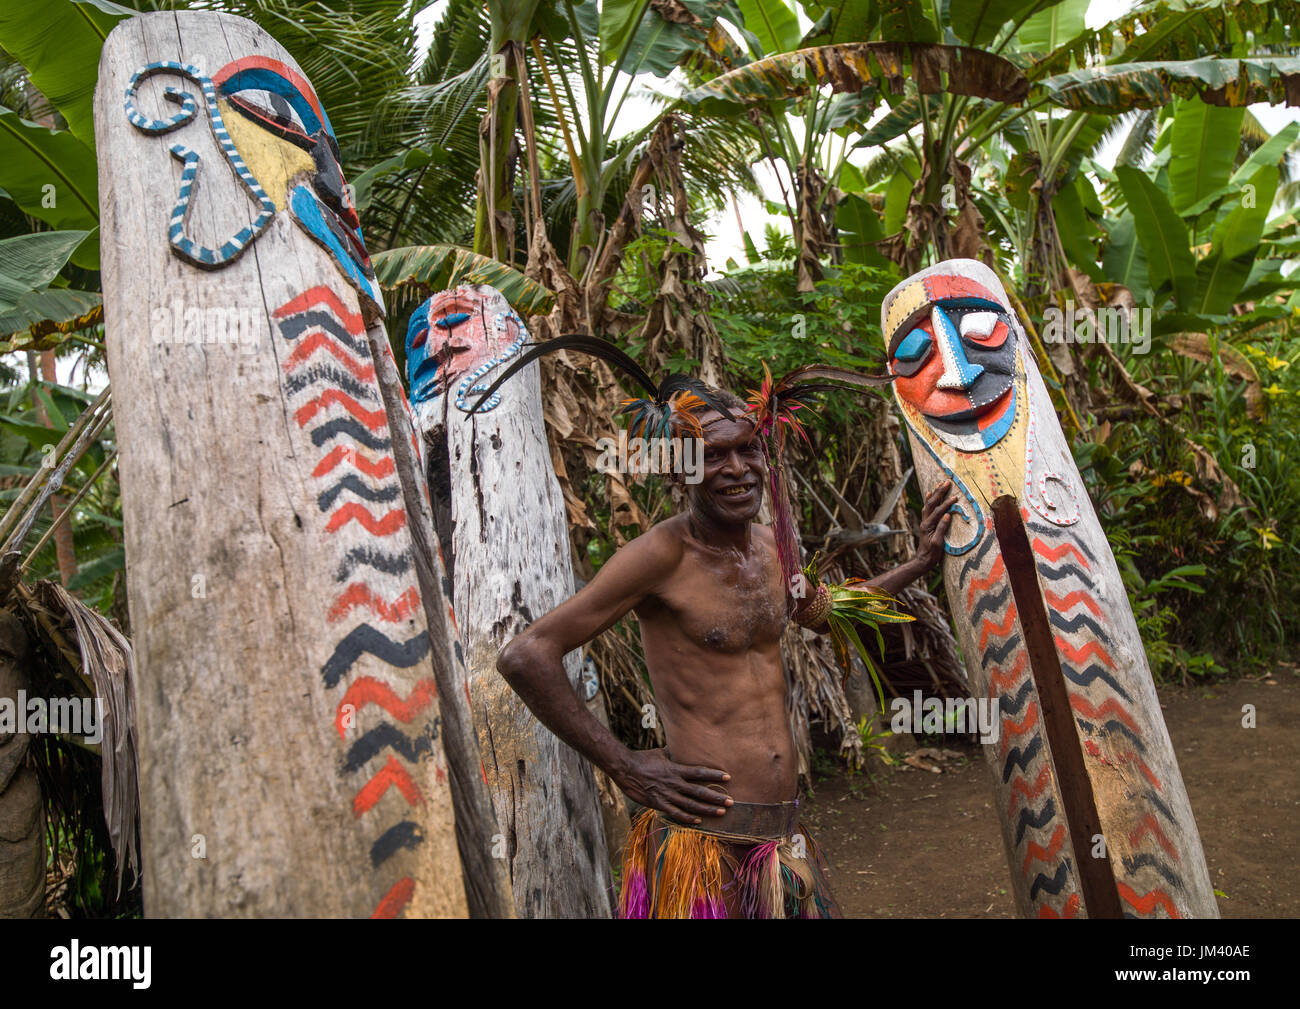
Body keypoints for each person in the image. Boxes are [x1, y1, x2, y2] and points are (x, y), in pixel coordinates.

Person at [495, 387, 957, 917]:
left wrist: (920, 563)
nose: (737, 468)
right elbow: (527, 656)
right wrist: (625, 767)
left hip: (780, 839)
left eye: (748, 448)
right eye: (713, 455)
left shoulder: (772, 547)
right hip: (704, 843)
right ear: (678, 473)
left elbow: (826, 613)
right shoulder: (659, 557)